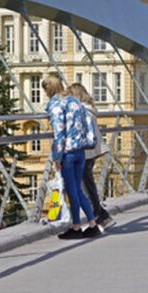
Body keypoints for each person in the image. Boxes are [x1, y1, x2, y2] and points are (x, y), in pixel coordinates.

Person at [42, 74, 101, 239]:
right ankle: (91, 224)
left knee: (71, 190)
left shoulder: (56, 105)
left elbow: (59, 133)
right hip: (80, 151)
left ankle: (78, 227)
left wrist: (57, 157)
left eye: (45, 90)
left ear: (49, 89)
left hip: (67, 153)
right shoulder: (74, 101)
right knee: (77, 189)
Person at [67, 82, 114, 229]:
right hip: (91, 150)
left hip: (85, 151)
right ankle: (100, 215)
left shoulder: (82, 111)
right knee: (87, 183)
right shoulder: (89, 109)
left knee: (85, 184)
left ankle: (101, 216)